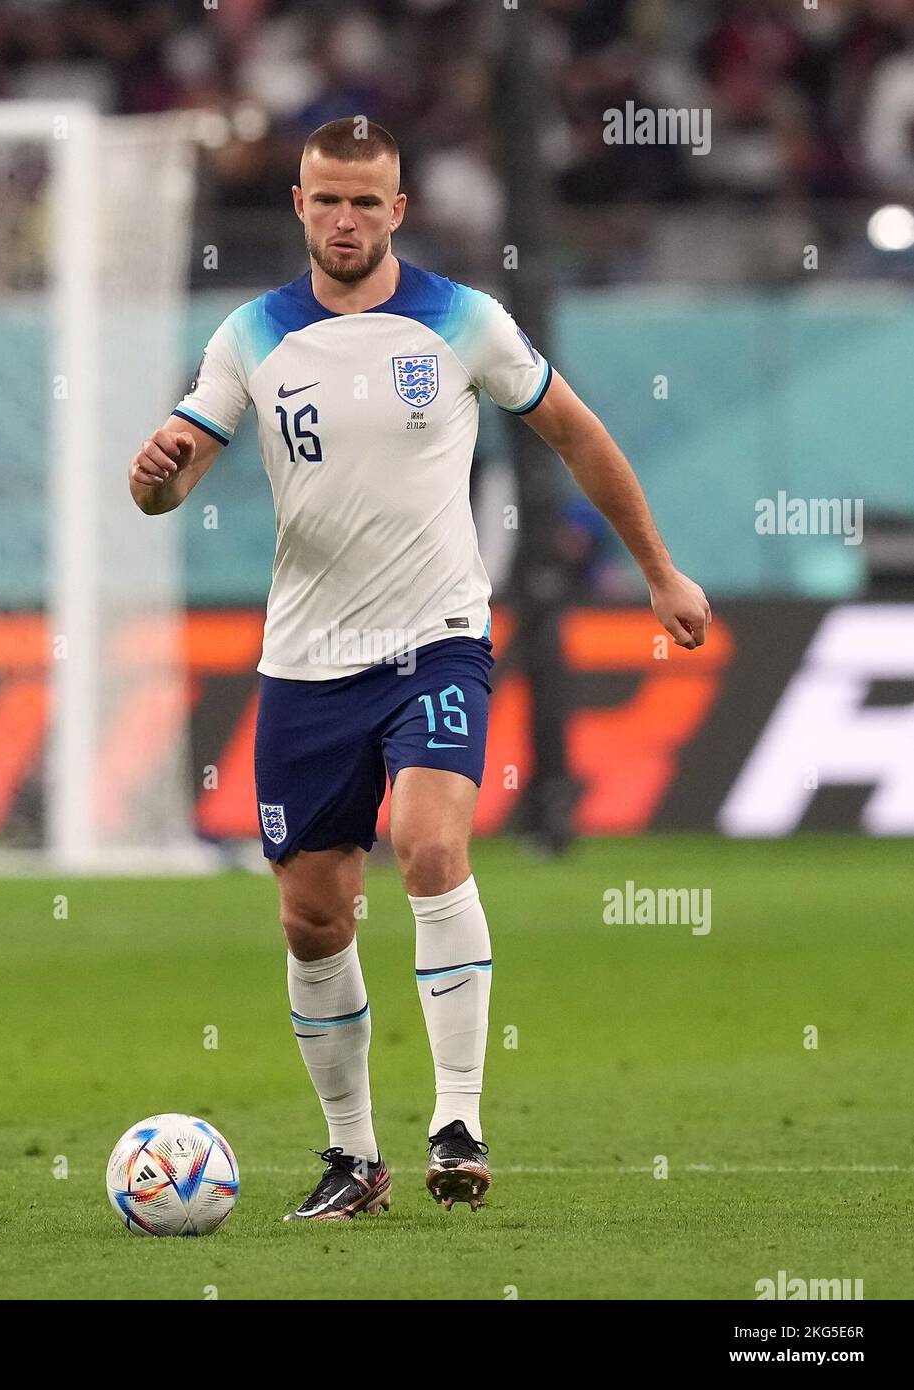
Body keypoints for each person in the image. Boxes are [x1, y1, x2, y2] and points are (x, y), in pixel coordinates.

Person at [129, 117, 711, 1222]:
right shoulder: (250, 336)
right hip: (305, 662)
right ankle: (352, 1155)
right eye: (324, 200)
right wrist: (154, 475)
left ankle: (458, 1120)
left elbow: (579, 437)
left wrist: (659, 570)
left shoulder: (463, 322)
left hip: (433, 638)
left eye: (365, 201)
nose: (344, 219)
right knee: (314, 917)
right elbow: (172, 479)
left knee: (431, 844)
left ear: (399, 209)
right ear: (298, 206)